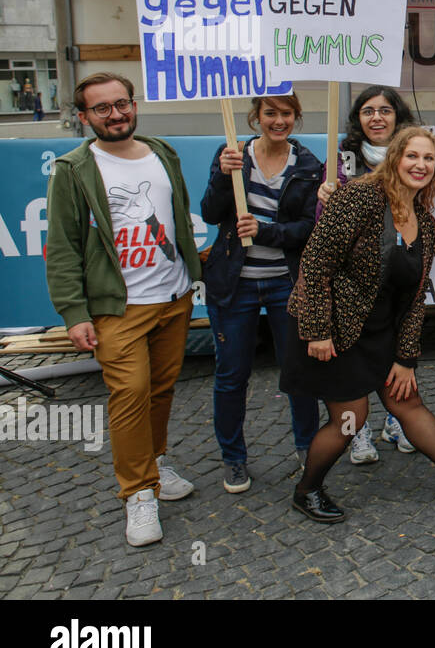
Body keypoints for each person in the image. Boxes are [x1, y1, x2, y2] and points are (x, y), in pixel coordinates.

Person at [283, 126, 435, 521]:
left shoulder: (426, 220)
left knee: (409, 402)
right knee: (351, 419)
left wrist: (406, 357)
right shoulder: (359, 197)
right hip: (335, 329)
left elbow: (416, 297)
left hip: (380, 332)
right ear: (395, 157)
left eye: (428, 159)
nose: (420, 165)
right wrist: (318, 330)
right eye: (412, 156)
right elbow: (314, 265)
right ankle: (307, 489)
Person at [45, 73, 201, 546]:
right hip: (118, 308)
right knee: (129, 394)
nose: (115, 115)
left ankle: (154, 462)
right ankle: (137, 494)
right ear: (84, 116)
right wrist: (74, 313)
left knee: (159, 390)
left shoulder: (163, 153)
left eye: (122, 104)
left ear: (134, 105)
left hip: (173, 298)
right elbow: (64, 245)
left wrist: (193, 273)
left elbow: (178, 219)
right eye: (101, 109)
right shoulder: (74, 169)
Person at [200, 94, 324, 493]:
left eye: (287, 113)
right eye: (270, 113)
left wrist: (266, 232)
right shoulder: (233, 154)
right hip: (234, 283)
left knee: (298, 374)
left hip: (285, 282)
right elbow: (210, 212)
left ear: (296, 117)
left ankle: (307, 447)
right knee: (231, 375)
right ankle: (233, 459)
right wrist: (222, 174)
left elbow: (308, 227)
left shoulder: (307, 165)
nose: (279, 120)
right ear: (256, 117)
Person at [317, 86, 417, 464]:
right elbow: (324, 236)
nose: (377, 117)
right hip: (353, 282)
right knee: (354, 358)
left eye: (385, 110)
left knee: (399, 349)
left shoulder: (413, 154)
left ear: (398, 116)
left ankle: (397, 419)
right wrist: (325, 200)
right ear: (358, 119)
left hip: (397, 275)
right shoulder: (339, 160)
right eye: (368, 111)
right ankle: (357, 431)